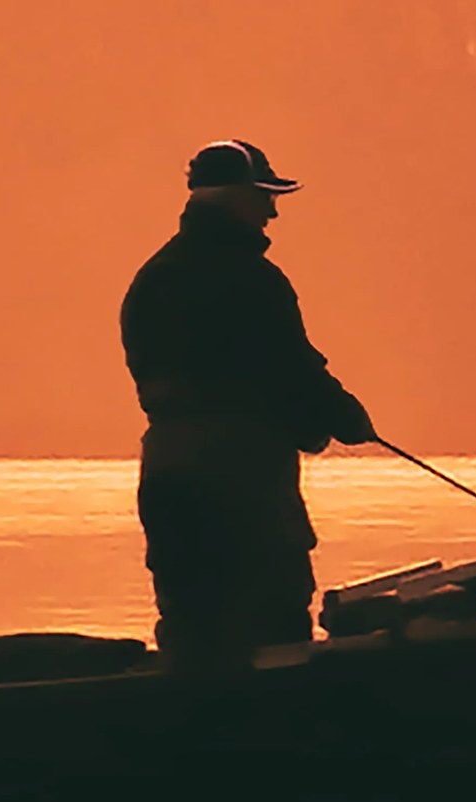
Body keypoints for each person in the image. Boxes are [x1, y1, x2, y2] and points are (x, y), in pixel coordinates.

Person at [120, 139, 376, 668]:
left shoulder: (149, 280)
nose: (273, 211)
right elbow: (293, 370)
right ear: (235, 198)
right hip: (241, 477)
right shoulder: (254, 280)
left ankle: (189, 725)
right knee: (274, 619)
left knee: (191, 621)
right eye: (264, 196)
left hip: (166, 469)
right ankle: (275, 730)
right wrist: (345, 418)